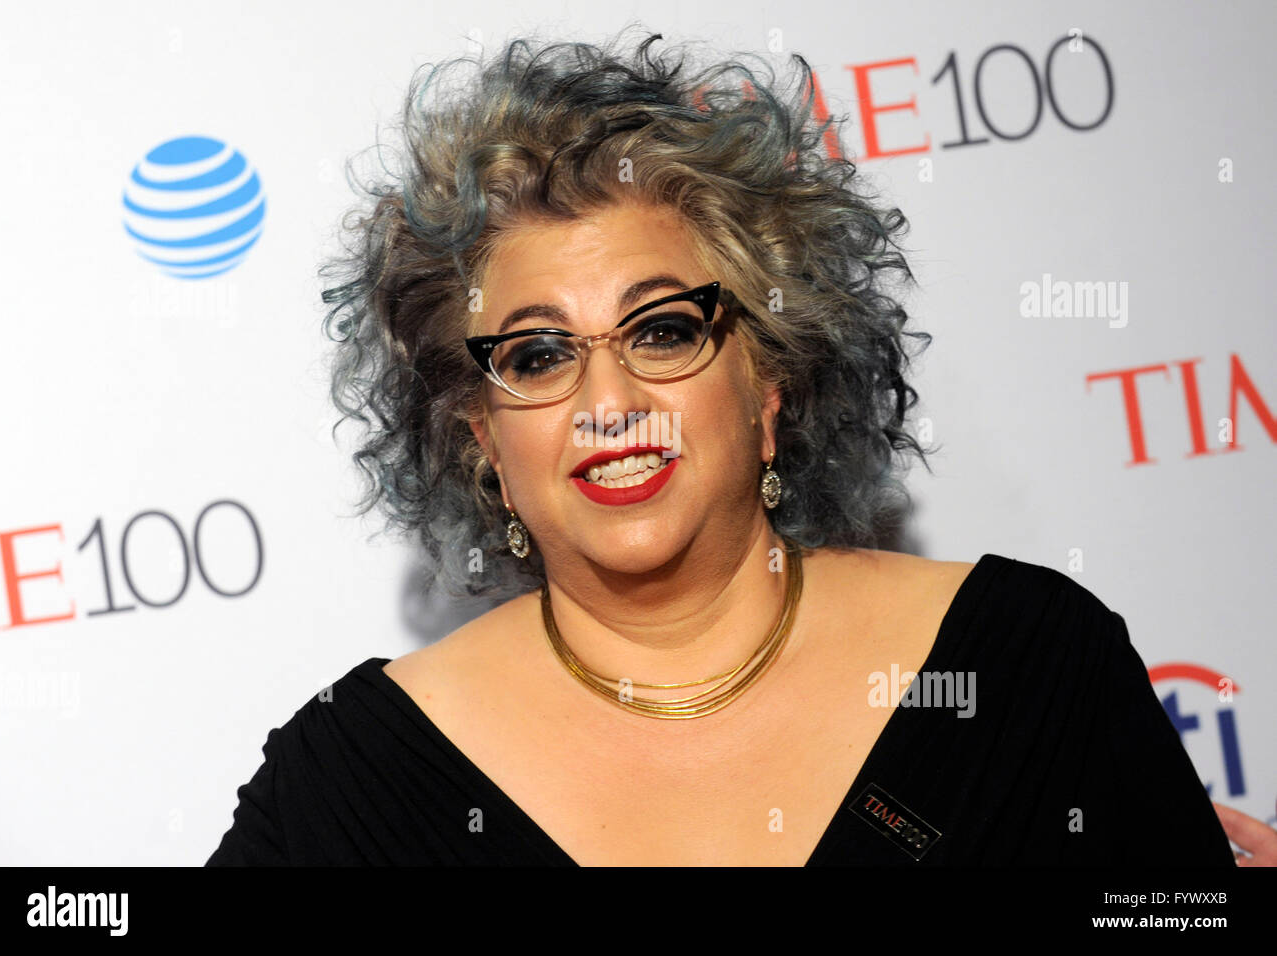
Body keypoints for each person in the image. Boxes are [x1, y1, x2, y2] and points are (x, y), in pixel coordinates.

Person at [206, 26, 1235, 866]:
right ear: (482, 434)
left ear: (769, 376)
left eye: (663, 329)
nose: (608, 402)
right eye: (536, 353)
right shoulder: (346, 787)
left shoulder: (1028, 667)